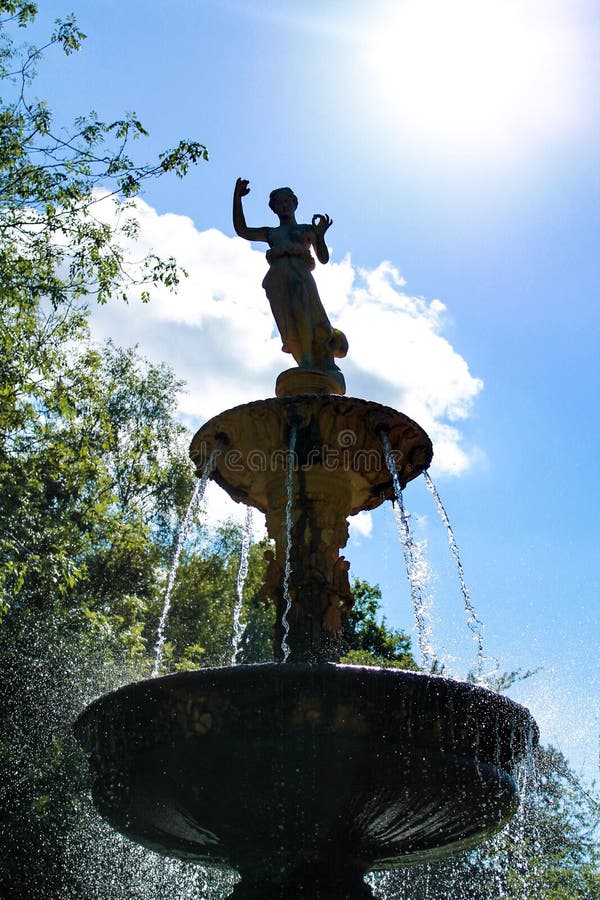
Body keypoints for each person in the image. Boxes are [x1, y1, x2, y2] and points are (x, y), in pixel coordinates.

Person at [233, 177, 348, 371]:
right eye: (279, 203)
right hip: (277, 279)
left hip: (300, 275)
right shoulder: (272, 233)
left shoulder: (306, 230)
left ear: (295, 204)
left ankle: (310, 360)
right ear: (274, 209)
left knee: (303, 309)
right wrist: (237, 198)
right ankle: (303, 359)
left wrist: (319, 236)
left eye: (287, 201)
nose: (284, 206)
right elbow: (242, 230)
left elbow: (324, 258)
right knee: (287, 320)